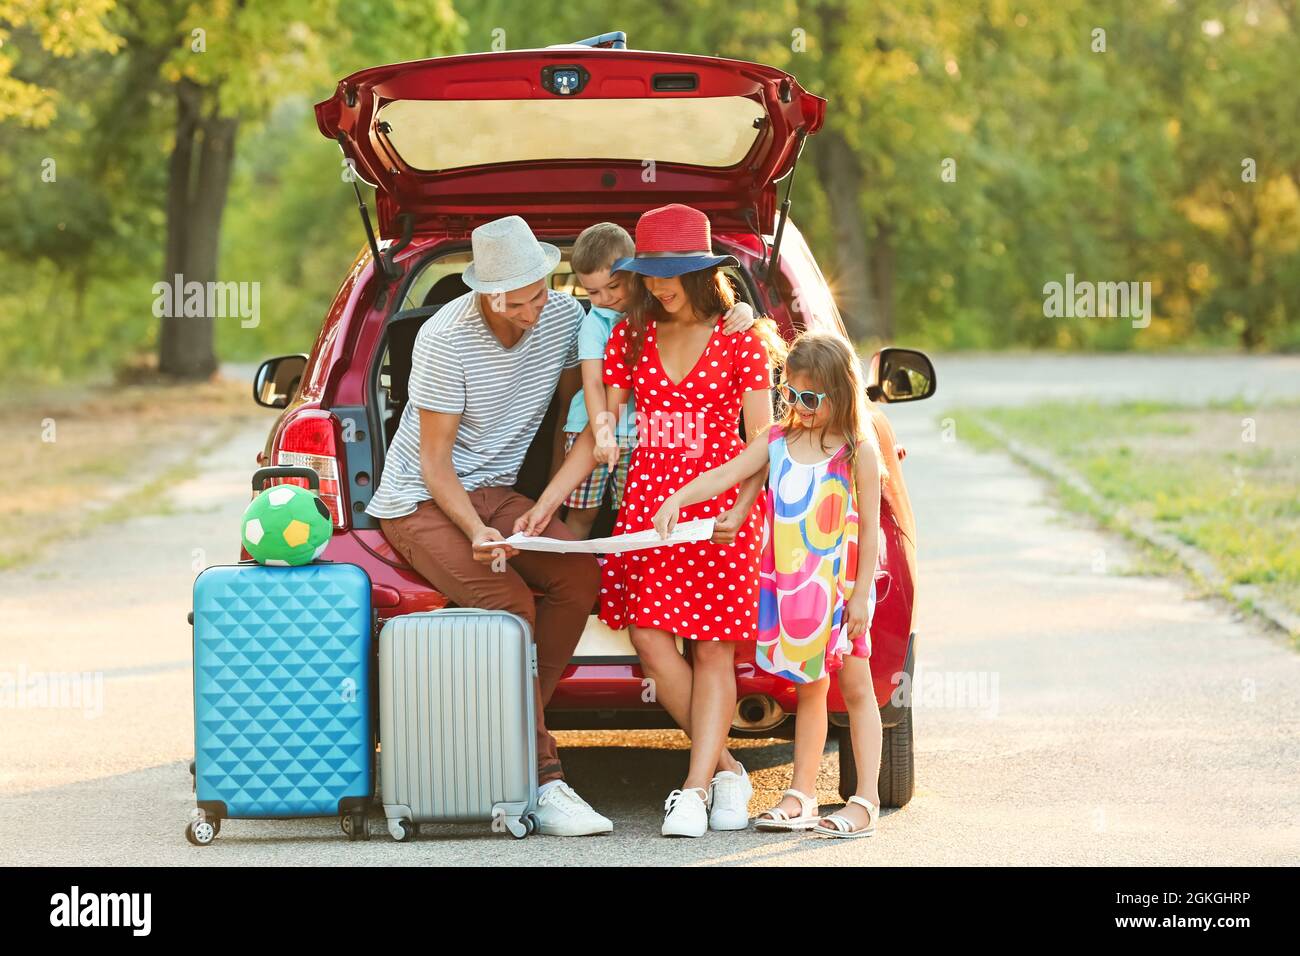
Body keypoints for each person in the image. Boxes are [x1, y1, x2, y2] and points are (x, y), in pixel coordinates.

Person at [526, 203, 783, 837]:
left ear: (701, 271)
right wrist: (547, 503)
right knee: (649, 640)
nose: (659, 284)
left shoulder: (742, 339)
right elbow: (600, 433)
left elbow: (762, 442)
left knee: (713, 651)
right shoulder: (630, 335)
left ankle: (693, 790)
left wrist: (708, 494)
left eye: (671, 272)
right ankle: (724, 768)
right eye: (650, 271)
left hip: (717, 514)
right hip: (649, 511)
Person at [365, 214, 612, 837]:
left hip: (499, 491)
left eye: (546, 289)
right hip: (418, 502)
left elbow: (573, 416)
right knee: (509, 604)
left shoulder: (560, 318)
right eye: (527, 298)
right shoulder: (445, 339)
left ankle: (511, 730)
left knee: (578, 575)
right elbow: (434, 463)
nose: (542, 306)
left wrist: (552, 506)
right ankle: (544, 776)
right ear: (490, 295)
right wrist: (477, 531)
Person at [652, 331, 886, 838]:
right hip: (794, 590)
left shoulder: (856, 452)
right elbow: (727, 473)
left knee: (857, 687)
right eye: (791, 396)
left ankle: (865, 799)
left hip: (841, 589)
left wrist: (862, 594)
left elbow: (870, 530)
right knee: (810, 689)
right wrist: (677, 499)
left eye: (810, 398)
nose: (799, 408)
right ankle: (801, 795)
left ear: (841, 394)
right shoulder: (778, 441)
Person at [561, 223, 756, 538]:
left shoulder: (671, 315)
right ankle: (577, 568)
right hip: (625, 441)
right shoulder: (613, 328)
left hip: (663, 450)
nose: (604, 299)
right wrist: (602, 432)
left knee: (629, 512)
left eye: (613, 287)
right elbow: (596, 388)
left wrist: (745, 310)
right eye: (592, 293)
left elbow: (763, 440)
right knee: (592, 514)